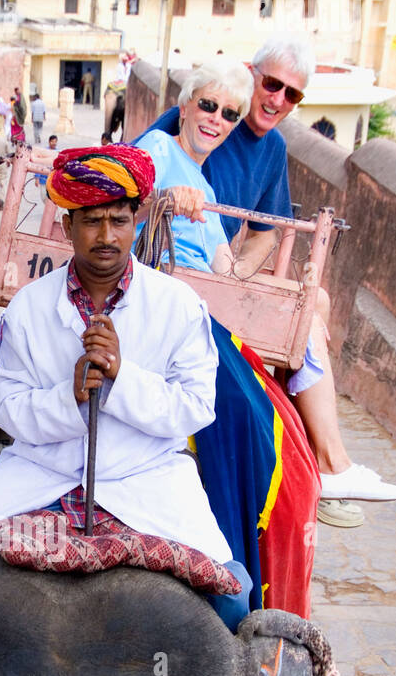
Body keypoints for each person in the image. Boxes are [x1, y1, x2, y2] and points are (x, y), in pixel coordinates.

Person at [0, 144, 252, 633]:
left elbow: (196, 407)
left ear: (136, 221)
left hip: (148, 476)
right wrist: (69, 396)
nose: (106, 236)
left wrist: (121, 377)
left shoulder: (179, 306)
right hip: (40, 471)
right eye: (91, 221)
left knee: (234, 600)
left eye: (118, 220)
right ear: (67, 226)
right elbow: (9, 411)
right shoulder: (28, 309)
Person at [137, 32, 396, 520]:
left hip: (211, 267)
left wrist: (238, 273)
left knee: (313, 301)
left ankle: (323, 457)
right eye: (273, 84)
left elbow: (262, 229)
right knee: (308, 304)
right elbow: (131, 182)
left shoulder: (265, 149)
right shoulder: (177, 133)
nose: (218, 120)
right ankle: (328, 462)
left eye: (293, 94)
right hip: (174, 272)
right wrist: (164, 201)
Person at [132, 57, 319, 620]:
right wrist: (158, 200)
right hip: (157, 297)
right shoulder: (160, 154)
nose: (215, 118)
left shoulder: (204, 183)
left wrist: (261, 283)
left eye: (228, 113)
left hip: (202, 303)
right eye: (207, 105)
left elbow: (226, 267)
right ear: (185, 106)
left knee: (264, 412)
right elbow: (116, 198)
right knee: (239, 417)